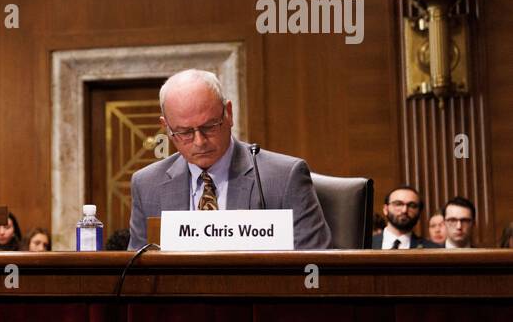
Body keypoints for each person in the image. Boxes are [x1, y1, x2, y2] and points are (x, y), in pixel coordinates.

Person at [128, 69, 332, 250]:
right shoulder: (147, 185)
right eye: (184, 132)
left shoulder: (283, 178)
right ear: (167, 127)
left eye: (209, 126)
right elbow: (136, 276)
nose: (199, 141)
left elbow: (315, 267)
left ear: (229, 114)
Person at [370, 185, 440, 248]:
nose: (404, 210)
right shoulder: (364, 245)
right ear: (385, 209)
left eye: (411, 205)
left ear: (419, 211)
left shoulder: (432, 249)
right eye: (398, 204)